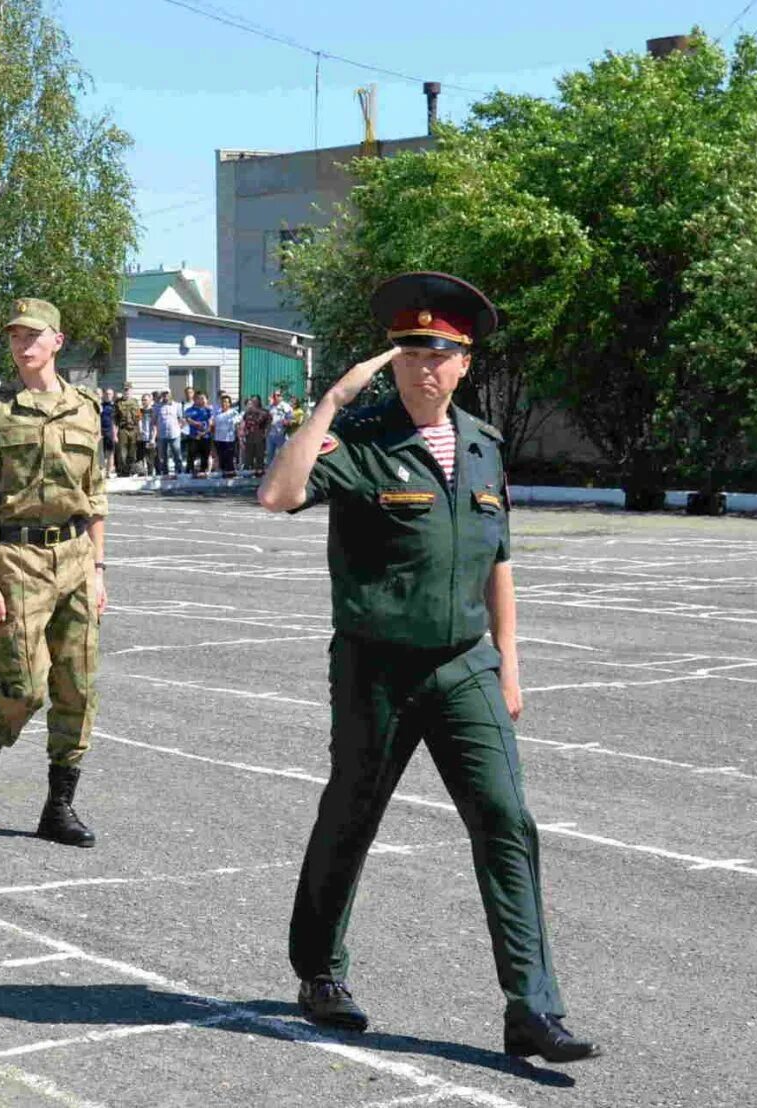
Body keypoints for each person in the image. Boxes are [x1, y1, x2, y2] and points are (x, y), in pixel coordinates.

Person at [257, 271, 597, 1063]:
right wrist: (330, 405)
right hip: (376, 668)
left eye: (439, 353)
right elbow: (278, 494)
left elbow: (498, 561)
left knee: (507, 821)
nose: (424, 366)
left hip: (464, 666)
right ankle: (319, 971)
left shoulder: (483, 447)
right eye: (410, 350)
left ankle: (532, 1007)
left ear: (464, 362)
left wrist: (509, 667)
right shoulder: (363, 439)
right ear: (393, 358)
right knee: (352, 815)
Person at [0, 298, 107, 847]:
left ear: (57, 341)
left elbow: (94, 494)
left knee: (78, 687)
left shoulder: (86, 409)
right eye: (14, 336)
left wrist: (97, 568)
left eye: (32, 335)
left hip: (74, 554)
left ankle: (58, 806)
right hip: (17, 558)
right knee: (24, 687)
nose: (22, 345)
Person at [183, 388, 211, 477]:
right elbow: (188, 419)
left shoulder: (209, 410)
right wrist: (197, 423)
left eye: (203, 398)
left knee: (205, 456)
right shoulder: (190, 409)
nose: (201, 400)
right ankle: (189, 472)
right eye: (198, 398)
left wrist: (204, 432)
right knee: (191, 455)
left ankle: (203, 472)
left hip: (206, 436)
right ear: (195, 399)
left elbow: (212, 422)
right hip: (193, 437)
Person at [113, 384, 140, 477]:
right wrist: (114, 434)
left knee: (132, 452)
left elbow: (139, 417)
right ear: (123, 391)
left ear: (132, 391)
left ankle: (131, 470)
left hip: (133, 430)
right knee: (122, 452)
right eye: (125, 390)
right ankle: (123, 472)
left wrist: (139, 431)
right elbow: (115, 419)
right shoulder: (118, 403)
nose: (127, 392)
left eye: (128, 390)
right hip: (122, 429)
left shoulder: (136, 402)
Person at [240, 395, 271, 474]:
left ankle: (259, 474)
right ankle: (248, 473)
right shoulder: (248, 413)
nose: (253, 402)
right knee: (248, 457)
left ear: (259, 401)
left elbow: (268, 423)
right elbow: (243, 423)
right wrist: (242, 435)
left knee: (259, 457)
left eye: (255, 401)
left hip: (259, 438)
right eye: (252, 401)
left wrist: (266, 433)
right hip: (249, 437)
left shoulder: (264, 412)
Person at [155, 390, 183, 476]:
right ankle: (165, 473)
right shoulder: (157, 406)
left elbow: (181, 419)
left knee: (177, 455)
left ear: (170, 394)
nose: (165, 395)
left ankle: (179, 472)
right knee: (163, 456)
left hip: (174, 434)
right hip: (162, 435)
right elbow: (154, 420)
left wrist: (179, 428)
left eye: (167, 394)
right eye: (163, 394)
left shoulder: (177, 405)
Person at [212, 392, 241, 477]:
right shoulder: (217, 413)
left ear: (229, 403)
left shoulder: (233, 413)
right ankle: (223, 474)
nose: (224, 403)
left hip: (229, 440)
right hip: (218, 439)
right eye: (223, 402)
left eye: (226, 402)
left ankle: (231, 475)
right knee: (221, 458)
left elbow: (238, 423)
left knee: (229, 459)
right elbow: (213, 425)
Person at [268, 387, 294, 461]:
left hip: (281, 434)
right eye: (275, 395)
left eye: (279, 395)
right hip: (271, 434)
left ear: (282, 396)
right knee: (270, 455)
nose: (277, 397)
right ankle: (270, 471)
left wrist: (286, 422)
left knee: (283, 455)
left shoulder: (286, 407)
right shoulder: (270, 406)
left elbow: (291, 420)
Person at [99, 388, 117, 477]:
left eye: (110, 394)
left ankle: (109, 472)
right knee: (102, 453)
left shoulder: (114, 406)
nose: (108, 395)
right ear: (104, 395)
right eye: (106, 394)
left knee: (110, 453)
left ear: (113, 395)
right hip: (101, 432)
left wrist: (115, 435)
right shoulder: (100, 406)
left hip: (110, 432)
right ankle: (102, 472)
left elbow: (115, 422)